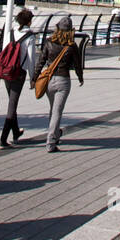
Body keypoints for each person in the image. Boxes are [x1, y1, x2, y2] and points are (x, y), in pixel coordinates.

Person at [33, 15, 84, 152]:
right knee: (57, 112)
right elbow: (78, 64)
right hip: (63, 80)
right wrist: (80, 77)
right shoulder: (71, 46)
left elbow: (41, 61)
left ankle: (55, 135)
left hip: (49, 80)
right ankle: (51, 142)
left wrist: (34, 78)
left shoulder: (49, 42)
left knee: (53, 109)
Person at [0, 7, 37, 148]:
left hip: (6, 71)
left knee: (11, 102)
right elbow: (32, 60)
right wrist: (33, 78)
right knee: (12, 105)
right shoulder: (30, 36)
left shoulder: (11, 32)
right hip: (19, 73)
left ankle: (15, 132)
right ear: (29, 21)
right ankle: (3, 139)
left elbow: (4, 51)